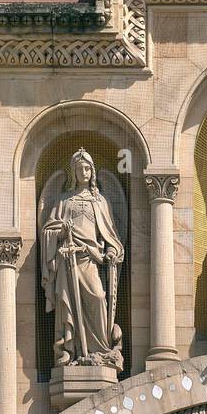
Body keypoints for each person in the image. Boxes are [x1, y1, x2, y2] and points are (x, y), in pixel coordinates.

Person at [40, 148, 125, 370]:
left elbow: (110, 235)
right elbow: (48, 230)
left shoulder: (100, 201)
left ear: (92, 171)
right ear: (73, 172)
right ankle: (71, 350)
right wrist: (60, 232)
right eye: (80, 169)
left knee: (98, 297)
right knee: (68, 305)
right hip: (69, 259)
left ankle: (100, 350)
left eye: (87, 168)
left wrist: (111, 251)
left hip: (91, 259)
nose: (84, 172)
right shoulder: (63, 201)